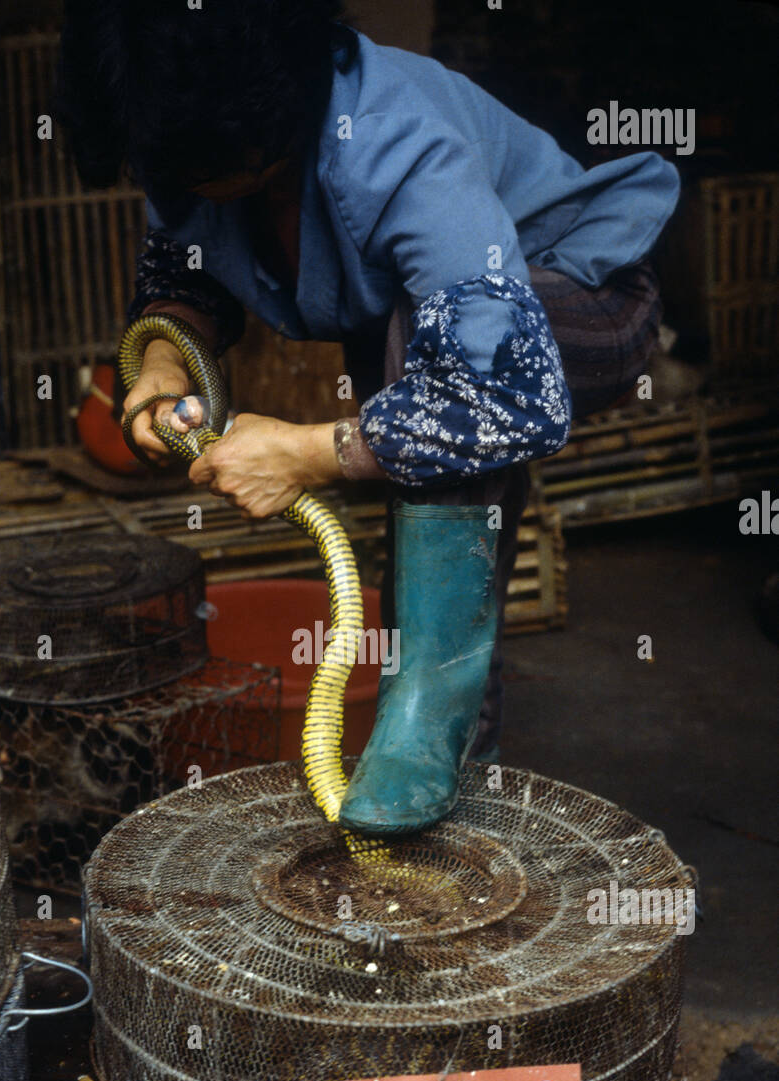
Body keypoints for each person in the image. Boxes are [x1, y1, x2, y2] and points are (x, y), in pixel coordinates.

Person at [58, 0, 679, 833]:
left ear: (260, 126)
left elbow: (504, 391)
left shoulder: (396, 140)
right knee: (418, 418)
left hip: (578, 304)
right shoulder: (194, 149)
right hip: (419, 335)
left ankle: (426, 720)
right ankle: (459, 760)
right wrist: (167, 357)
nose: (173, 191)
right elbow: (185, 266)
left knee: (427, 362)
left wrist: (311, 452)